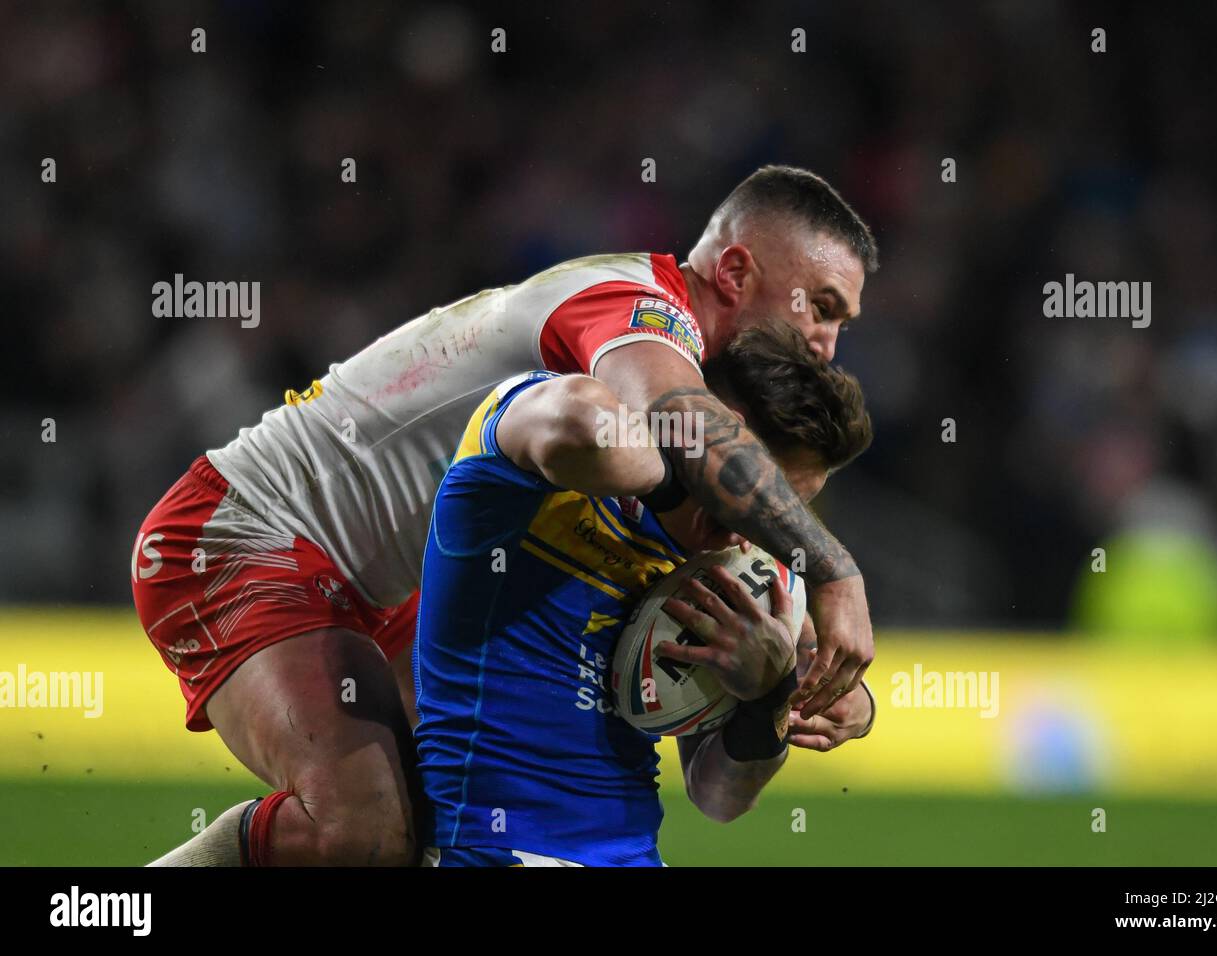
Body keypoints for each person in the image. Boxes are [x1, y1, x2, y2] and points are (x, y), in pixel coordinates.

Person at [135, 165, 879, 866]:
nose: (827, 344)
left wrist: (795, 674)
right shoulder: (636, 305)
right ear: (737, 271)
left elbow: (700, 475)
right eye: (820, 306)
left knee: (437, 825)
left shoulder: (681, 368)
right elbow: (678, 429)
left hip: (392, 585)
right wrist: (834, 571)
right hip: (252, 529)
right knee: (360, 830)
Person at [416, 323, 874, 866]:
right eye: (763, 503)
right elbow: (576, 417)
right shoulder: (537, 458)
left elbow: (719, 798)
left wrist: (767, 695)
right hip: (491, 844)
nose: (756, 534)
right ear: (724, 437)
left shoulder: (741, 572)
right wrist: (681, 472)